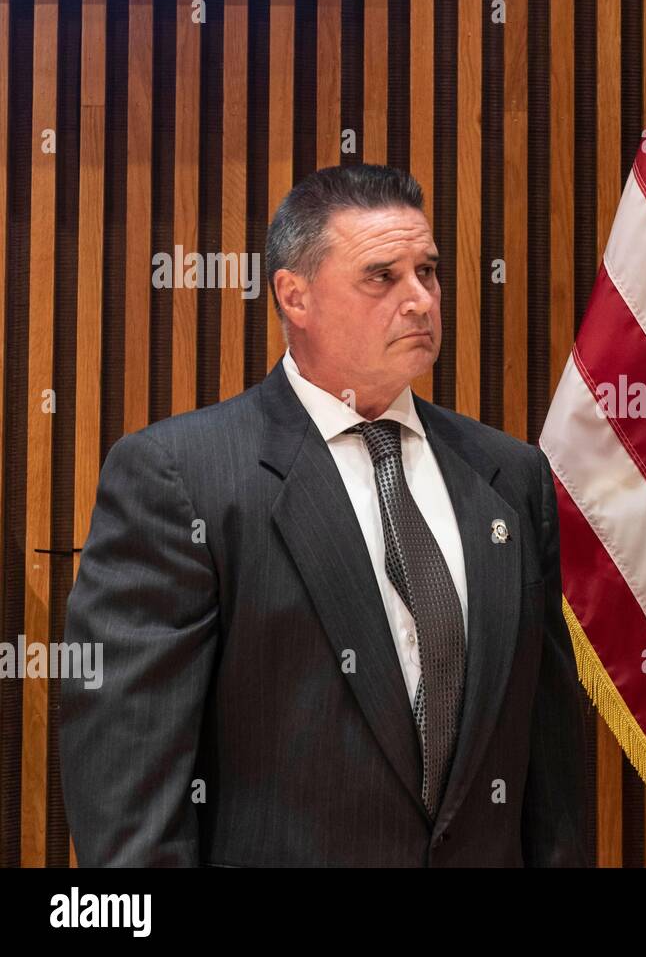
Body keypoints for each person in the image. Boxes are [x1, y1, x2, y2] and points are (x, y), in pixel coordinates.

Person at [60, 164, 588, 867]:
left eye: (427, 271)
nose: (421, 300)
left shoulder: (509, 475)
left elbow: (549, 755)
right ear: (294, 295)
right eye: (382, 276)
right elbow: (130, 793)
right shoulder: (182, 478)